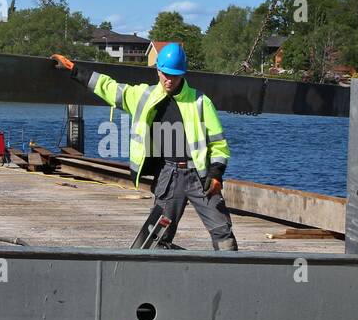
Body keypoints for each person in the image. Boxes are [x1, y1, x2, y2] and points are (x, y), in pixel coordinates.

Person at [52, 43, 238, 250]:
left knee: (223, 233)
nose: (169, 79)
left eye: (174, 76)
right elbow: (109, 88)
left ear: (183, 74)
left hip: (201, 177)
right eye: (165, 74)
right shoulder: (143, 96)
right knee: (157, 236)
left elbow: (219, 143)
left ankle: (230, 274)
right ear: (158, 70)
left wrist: (216, 173)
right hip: (169, 178)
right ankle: (174, 270)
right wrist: (75, 70)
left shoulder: (200, 101)